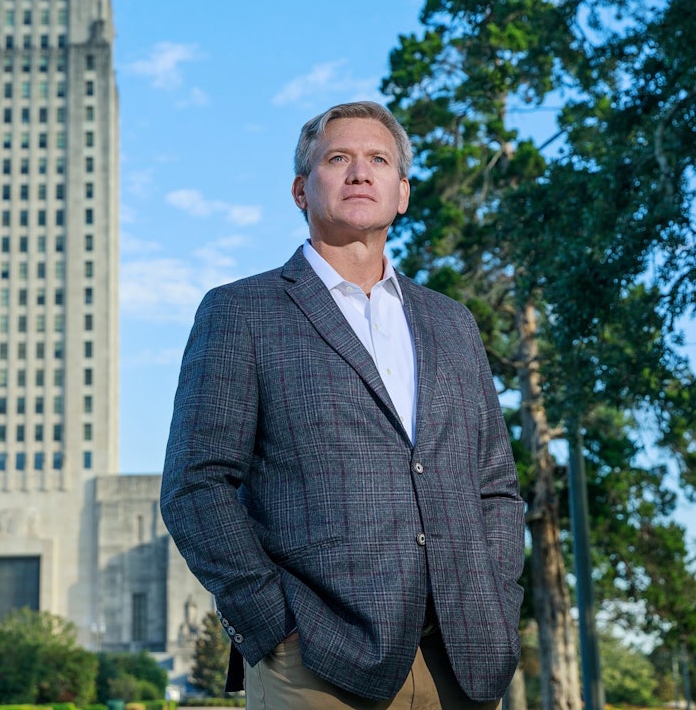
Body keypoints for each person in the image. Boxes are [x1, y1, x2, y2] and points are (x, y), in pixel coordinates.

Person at [160, 101, 525, 709]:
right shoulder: (240, 312)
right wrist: (272, 622)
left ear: (402, 192)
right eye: (339, 159)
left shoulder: (452, 323)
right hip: (316, 664)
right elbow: (196, 485)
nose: (360, 172)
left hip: (463, 662)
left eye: (378, 160)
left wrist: (499, 605)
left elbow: (494, 486)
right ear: (302, 190)